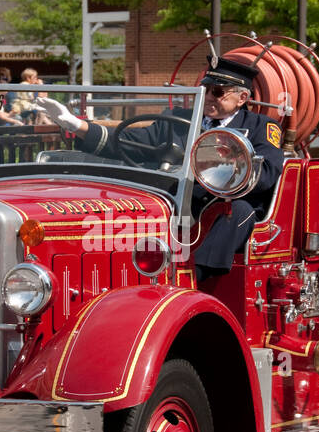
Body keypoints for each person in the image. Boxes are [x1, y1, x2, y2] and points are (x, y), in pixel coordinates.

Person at [33, 56, 285, 281]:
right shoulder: (180, 121)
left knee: (238, 212)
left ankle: (194, 279)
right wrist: (76, 125)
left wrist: (225, 166)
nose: (208, 97)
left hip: (222, 204)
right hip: (174, 199)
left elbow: (268, 174)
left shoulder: (261, 127)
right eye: (205, 89)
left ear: (242, 98)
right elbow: (130, 143)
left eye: (218, 92)